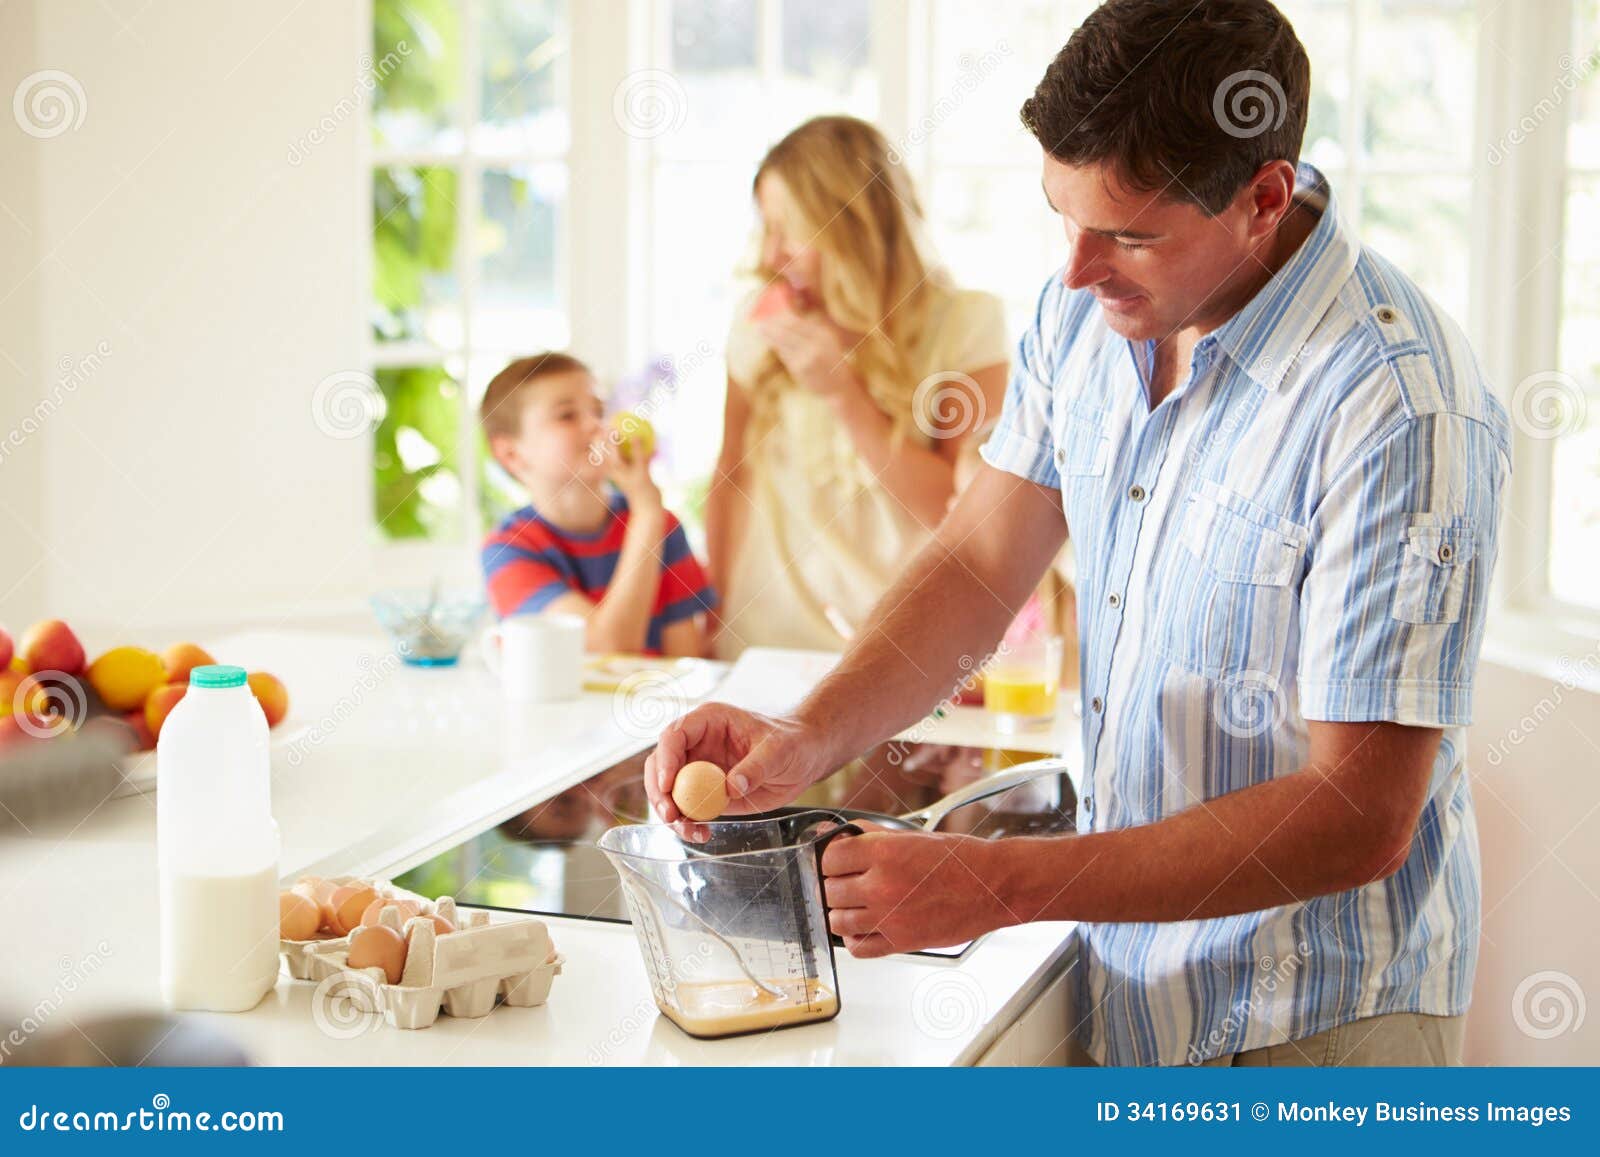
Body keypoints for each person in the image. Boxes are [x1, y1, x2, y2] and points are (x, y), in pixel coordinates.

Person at [646, 0, 1509, 1067]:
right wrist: (808, 733)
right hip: (1136, 991)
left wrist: (996, 883)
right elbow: (974, 561)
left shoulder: (1396, 406)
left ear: (1264, 196)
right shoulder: (1086, 319)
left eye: (1131, 234)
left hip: (1324, 1023)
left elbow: (1360, 811)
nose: (1076, 269)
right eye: (1064, 216)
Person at [707, 115, 1009, 659]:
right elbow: (729, 476)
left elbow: (961, 513)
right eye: (765, 229)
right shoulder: (760, 323)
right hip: (763, 646)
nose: (771, 255)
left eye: (791, 231)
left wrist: (844, 397)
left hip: (903, 655)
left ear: (852, 226)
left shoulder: (967, 326)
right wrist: (712, 615)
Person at [480, 352, 715, 657]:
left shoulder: (663, 526)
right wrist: (646, 513)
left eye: (599, 410)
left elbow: (685, 664)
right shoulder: (508, 549)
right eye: (567, 415)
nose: (596, 425)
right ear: (512, 455)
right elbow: (606, 647)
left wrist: (649, 516)